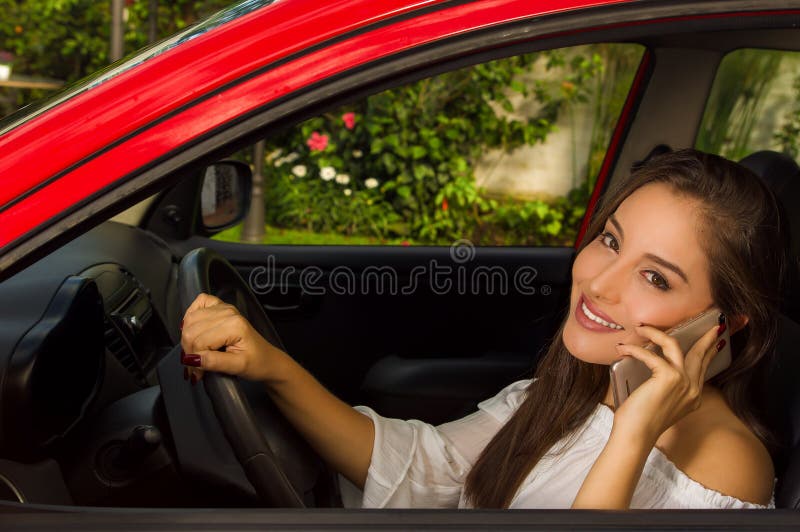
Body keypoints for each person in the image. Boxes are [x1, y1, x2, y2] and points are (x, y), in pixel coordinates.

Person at [179, 149, 786, 509]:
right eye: (610, 242)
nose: (600, 284)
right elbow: (432, 466)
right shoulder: (583, 382)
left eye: (655, 279)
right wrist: (271, 367)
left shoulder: (727, 468)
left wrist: (632, 437)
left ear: (721, 325)